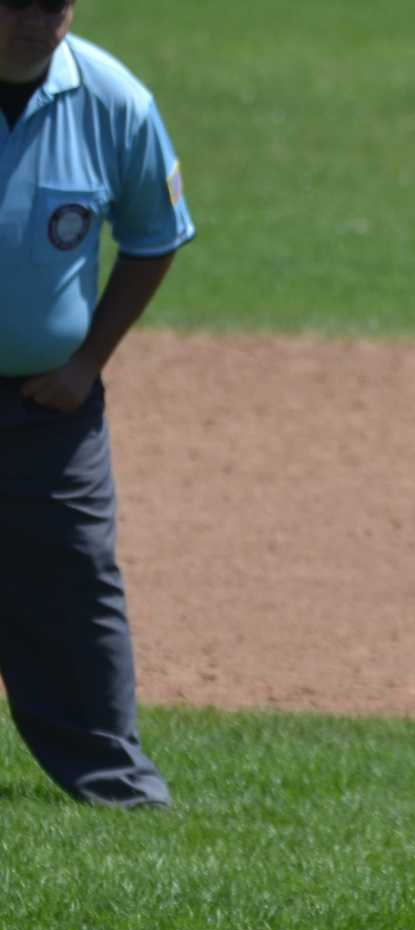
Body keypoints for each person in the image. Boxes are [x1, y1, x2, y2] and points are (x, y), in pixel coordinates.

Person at [1, 0, 192, 808]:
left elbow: (156, 235)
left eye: (52, 4)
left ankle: (110, 782)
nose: (33, 20)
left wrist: (87, 361)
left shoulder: (114, 100)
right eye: (15, 2)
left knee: (76, 578)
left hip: (50, 405)